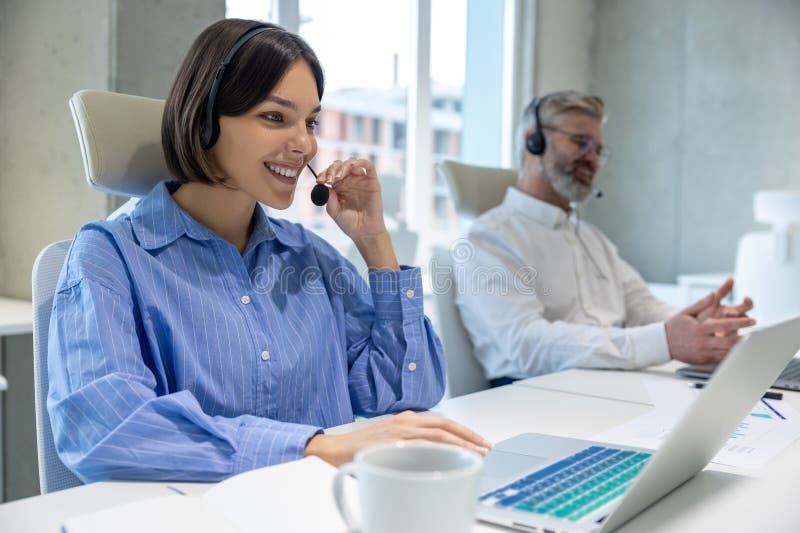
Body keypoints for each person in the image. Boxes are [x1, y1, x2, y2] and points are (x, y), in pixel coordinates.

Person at [47, 19, 490, 483]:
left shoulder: (313, 258)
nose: (305, 144)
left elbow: (406, 394)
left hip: (325, 508)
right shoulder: (109, 257)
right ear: (204, 117)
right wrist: (319, 448)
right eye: (275, 117)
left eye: (311, 121)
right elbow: (105, 430)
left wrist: (374, 242)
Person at [455, 90, 755, 385]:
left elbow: (641, 307)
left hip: (610, 385)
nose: (593, 160)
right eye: (580, 143)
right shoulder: (488, 240)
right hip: (539, 394)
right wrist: (664, 340)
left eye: (597, 150)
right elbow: (525, 344)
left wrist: (698, 325)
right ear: (533, 141)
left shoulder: (591, 239)